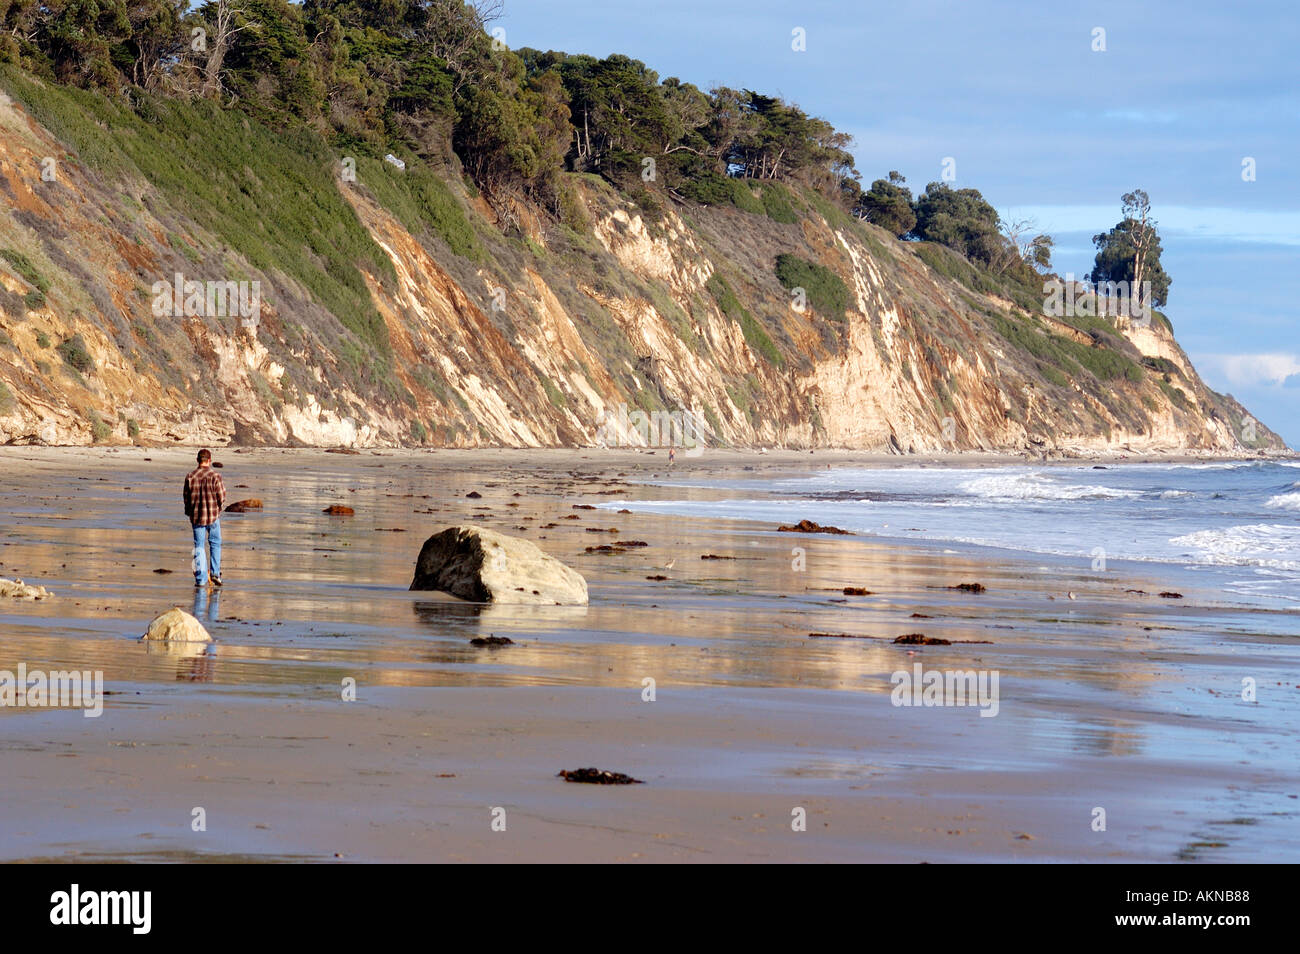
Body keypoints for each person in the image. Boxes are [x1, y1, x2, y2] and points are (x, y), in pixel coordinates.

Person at [183, 448, 226, 587]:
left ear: (197, 460)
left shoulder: (190, 476)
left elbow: (186, 498)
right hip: (213, 516)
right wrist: (218, 508)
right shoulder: (215, 476)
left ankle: (201, 578)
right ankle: (215, 573)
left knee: (199, 546)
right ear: (209, 460)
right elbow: (222, 496)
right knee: (215, 544)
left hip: (196, 516)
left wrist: (189, 511)